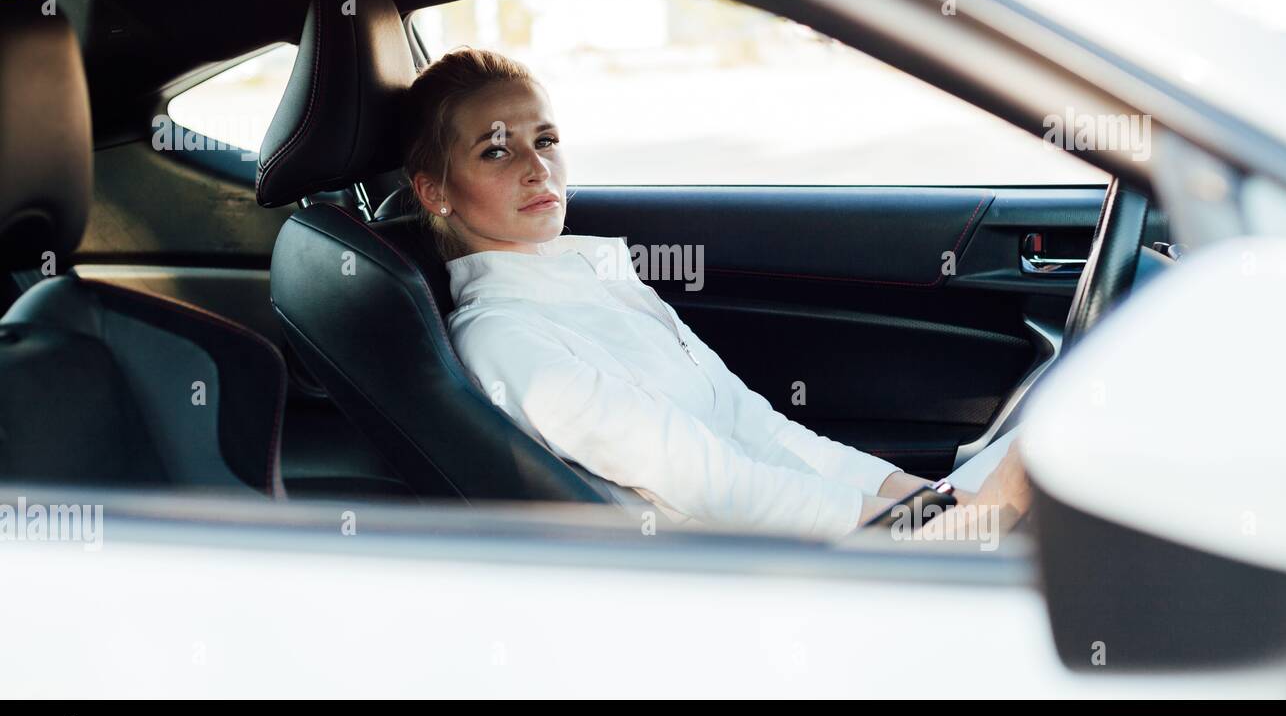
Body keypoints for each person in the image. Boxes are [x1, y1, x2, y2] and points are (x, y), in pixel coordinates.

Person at [401, 46, 1032, 540]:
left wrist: (930, 502)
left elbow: (755, 425)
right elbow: (708, 485)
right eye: (495, 151)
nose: (537, 169)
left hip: (813, 536)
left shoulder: (594, 277)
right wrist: (935, 531)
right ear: (435, 192)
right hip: (734, 576)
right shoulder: (504, 336)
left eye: (545, 140)